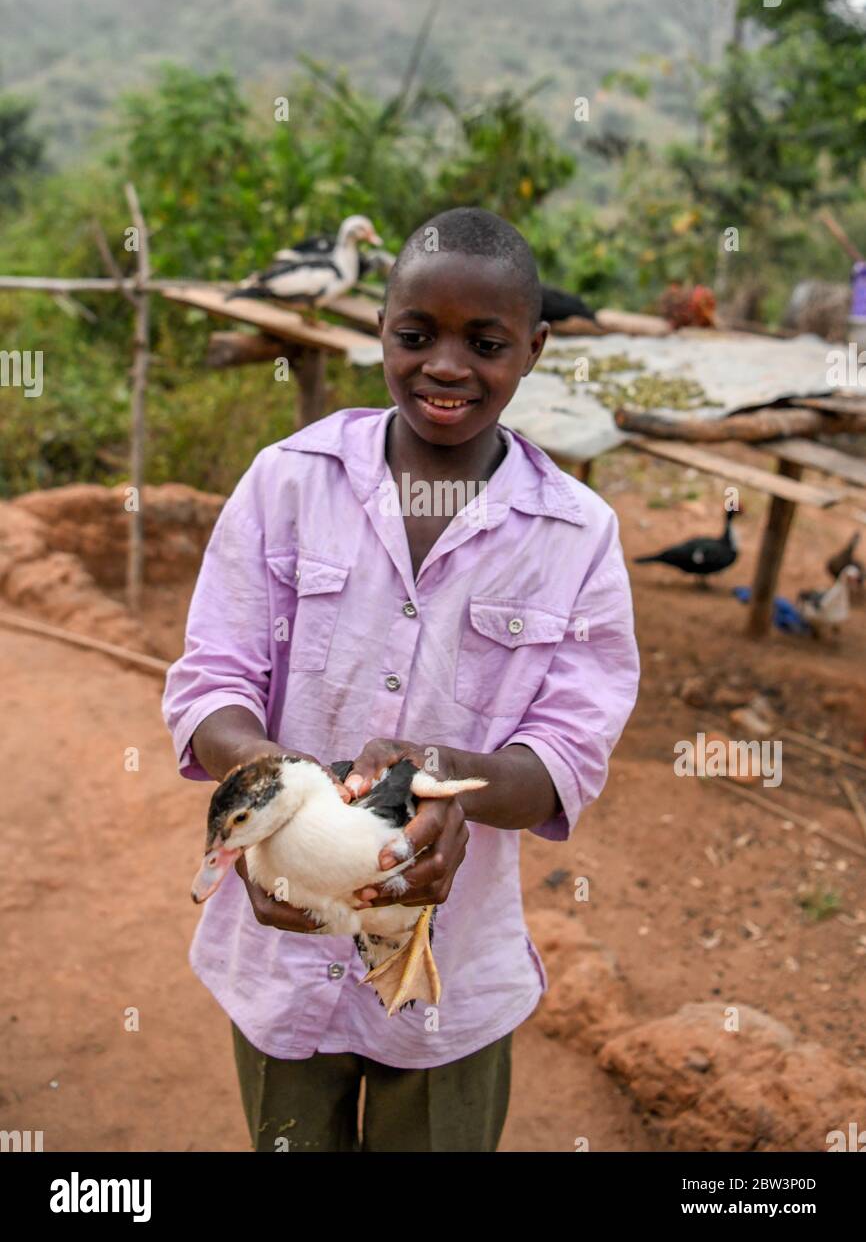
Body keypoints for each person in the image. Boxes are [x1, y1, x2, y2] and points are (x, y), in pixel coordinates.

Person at [162, 206, 640, 1152]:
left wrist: (445, 782)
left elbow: (564, 756)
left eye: (487, 342)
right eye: (415, 336)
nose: (447, 367)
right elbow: (209, 679)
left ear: (535, 347)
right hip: (279, 953)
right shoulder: (286, 483)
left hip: (449, 974)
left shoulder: (578, 537)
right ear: (378, 328)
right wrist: (280, 788)